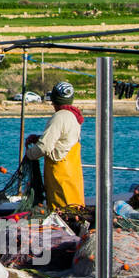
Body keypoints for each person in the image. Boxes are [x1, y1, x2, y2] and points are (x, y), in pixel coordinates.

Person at [24, 81, 85, 209]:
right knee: (74, 206)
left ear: (54, 100)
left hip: (60, 172)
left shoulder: (59, 117)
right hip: (72, 172)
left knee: (60, 208)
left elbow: (44, 147)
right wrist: (38, 138)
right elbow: (63, 139)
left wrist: (29, 155)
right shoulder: (73, 116)